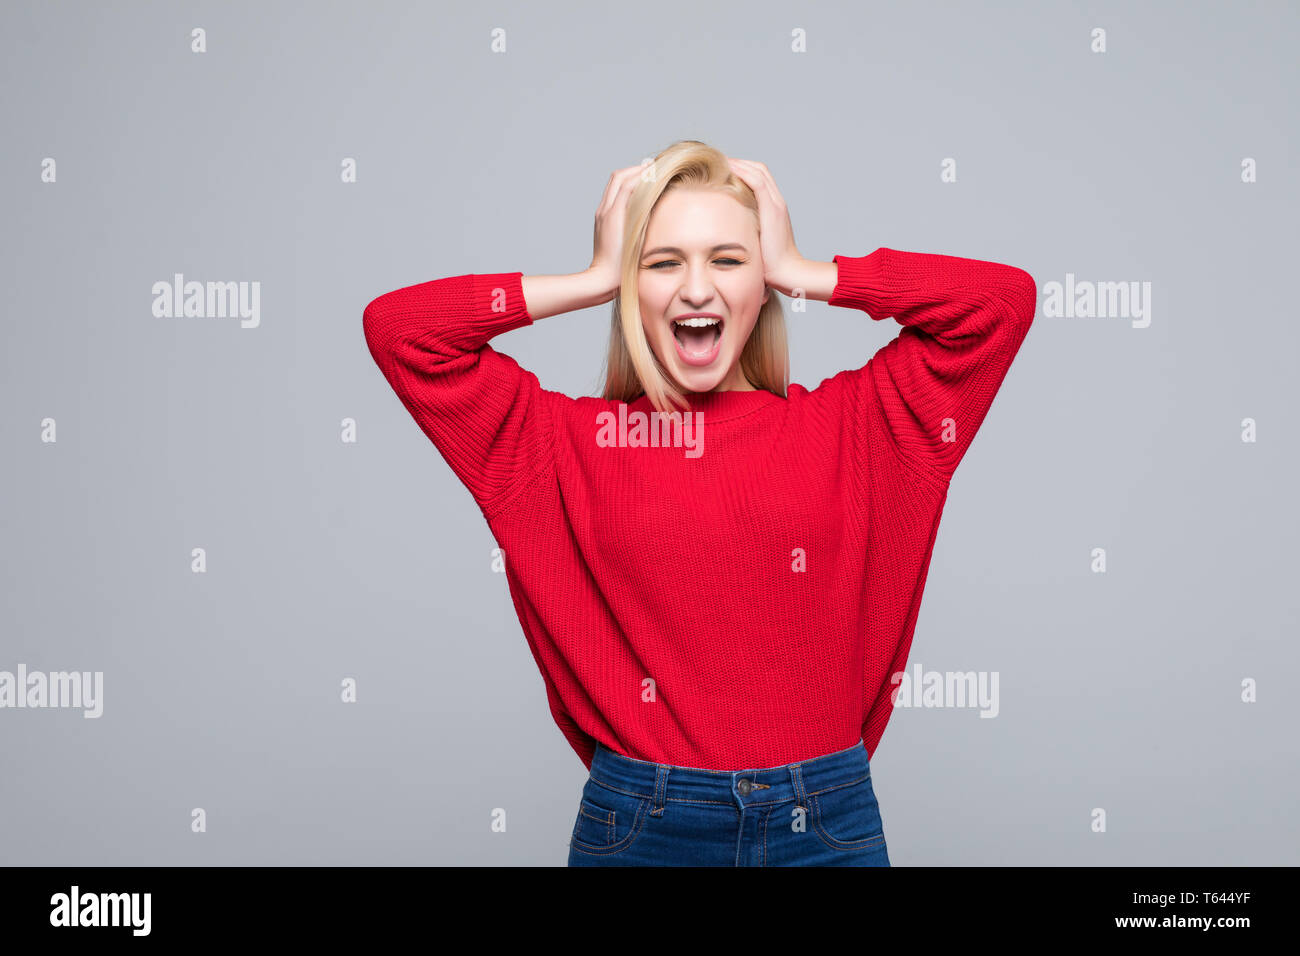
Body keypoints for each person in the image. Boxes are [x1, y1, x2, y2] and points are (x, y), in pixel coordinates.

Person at [362, 140, 1037, 866]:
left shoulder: (860, 424)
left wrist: (806, 272)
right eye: (661, 262)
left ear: (762, 282)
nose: (695, 290)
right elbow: (400, 331)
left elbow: (1000, 303)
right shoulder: (561, 444)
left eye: (728, 259)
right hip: (645, 826)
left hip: (826, 823)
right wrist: (592, 279)